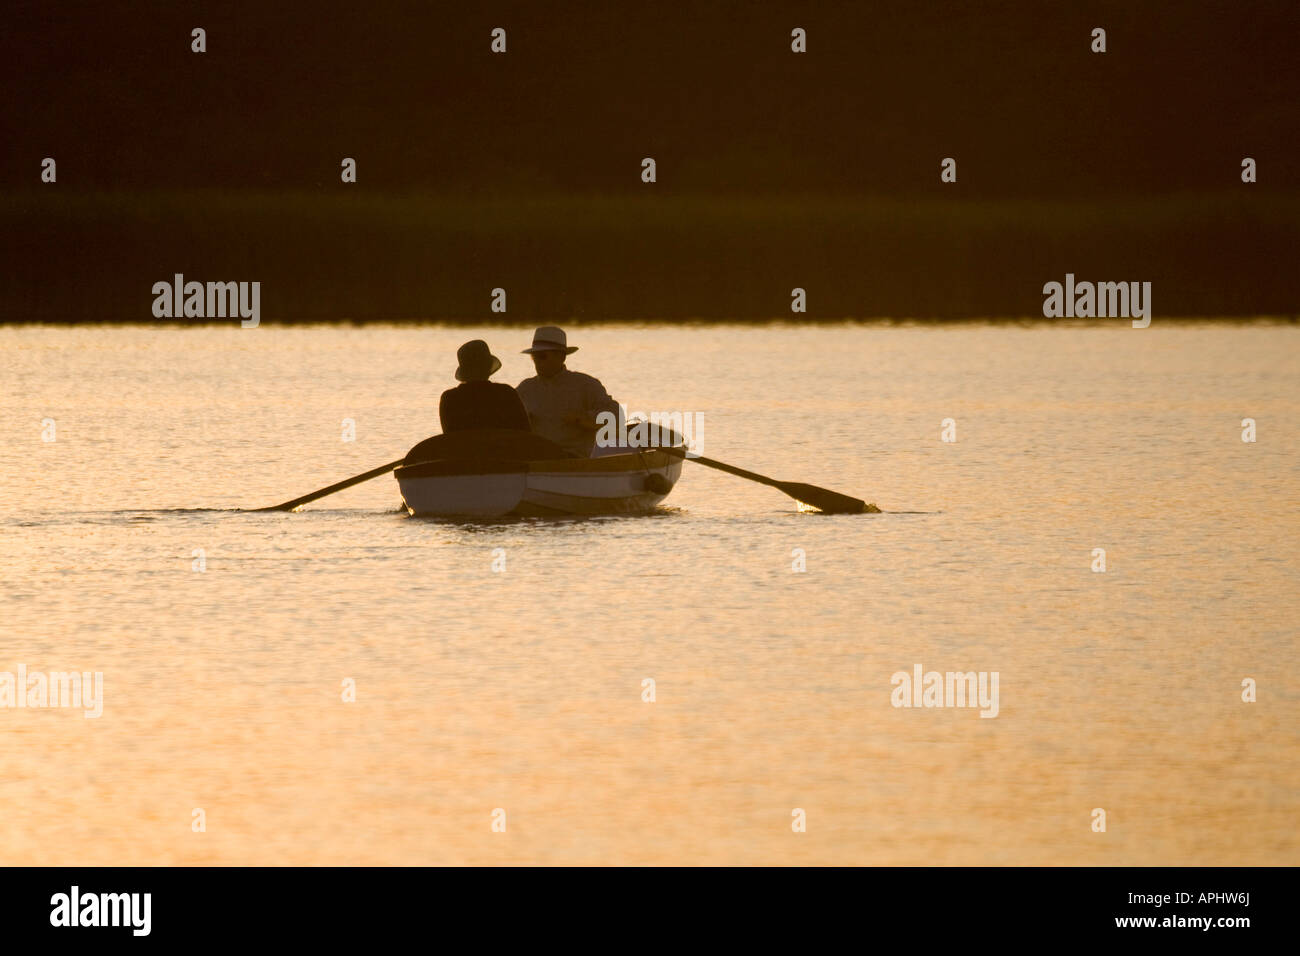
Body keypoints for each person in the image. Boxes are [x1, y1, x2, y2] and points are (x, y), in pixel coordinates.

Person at [516, 326, 621, 456]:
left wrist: (583, 419)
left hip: (574, 459)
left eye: (542, 356)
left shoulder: (585, 385)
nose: (537, 362)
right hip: (536, 460)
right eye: (534, 357)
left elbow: (616, 415)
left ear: (561, 357)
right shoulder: (525, 389)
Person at [439, 339, 531, 433]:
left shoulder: (450, 398)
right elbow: (525, 432)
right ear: (488, 366)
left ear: (464, 372)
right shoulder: (506, 393)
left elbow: (449, 438)